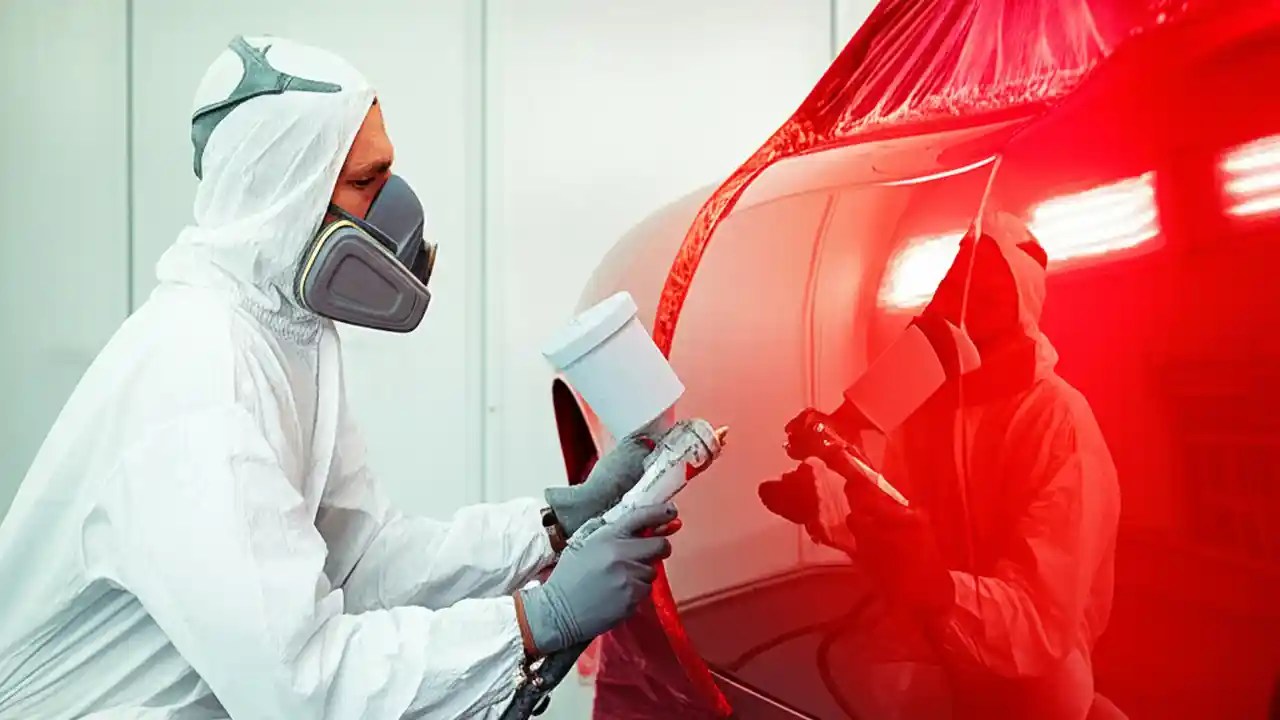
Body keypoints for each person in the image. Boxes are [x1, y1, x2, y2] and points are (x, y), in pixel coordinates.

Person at [0, 35, 679, 719]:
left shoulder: (284, 331)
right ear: (282, 194)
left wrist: (552, 525)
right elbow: (302, 685)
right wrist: (539, 618)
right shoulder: (199, 379)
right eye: (365, 183)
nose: (397, 215)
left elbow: (361, 563)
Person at [760, 210, 1122, 720]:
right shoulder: (928, 397)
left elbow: (1042, 621)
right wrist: (824, 498)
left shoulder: (1058, 421)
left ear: (1021, 310)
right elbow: (888, 495)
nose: (962, 306)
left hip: (1036, 686)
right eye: (956, 282)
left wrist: (939, 586)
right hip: (936, 650)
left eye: (985, 294)